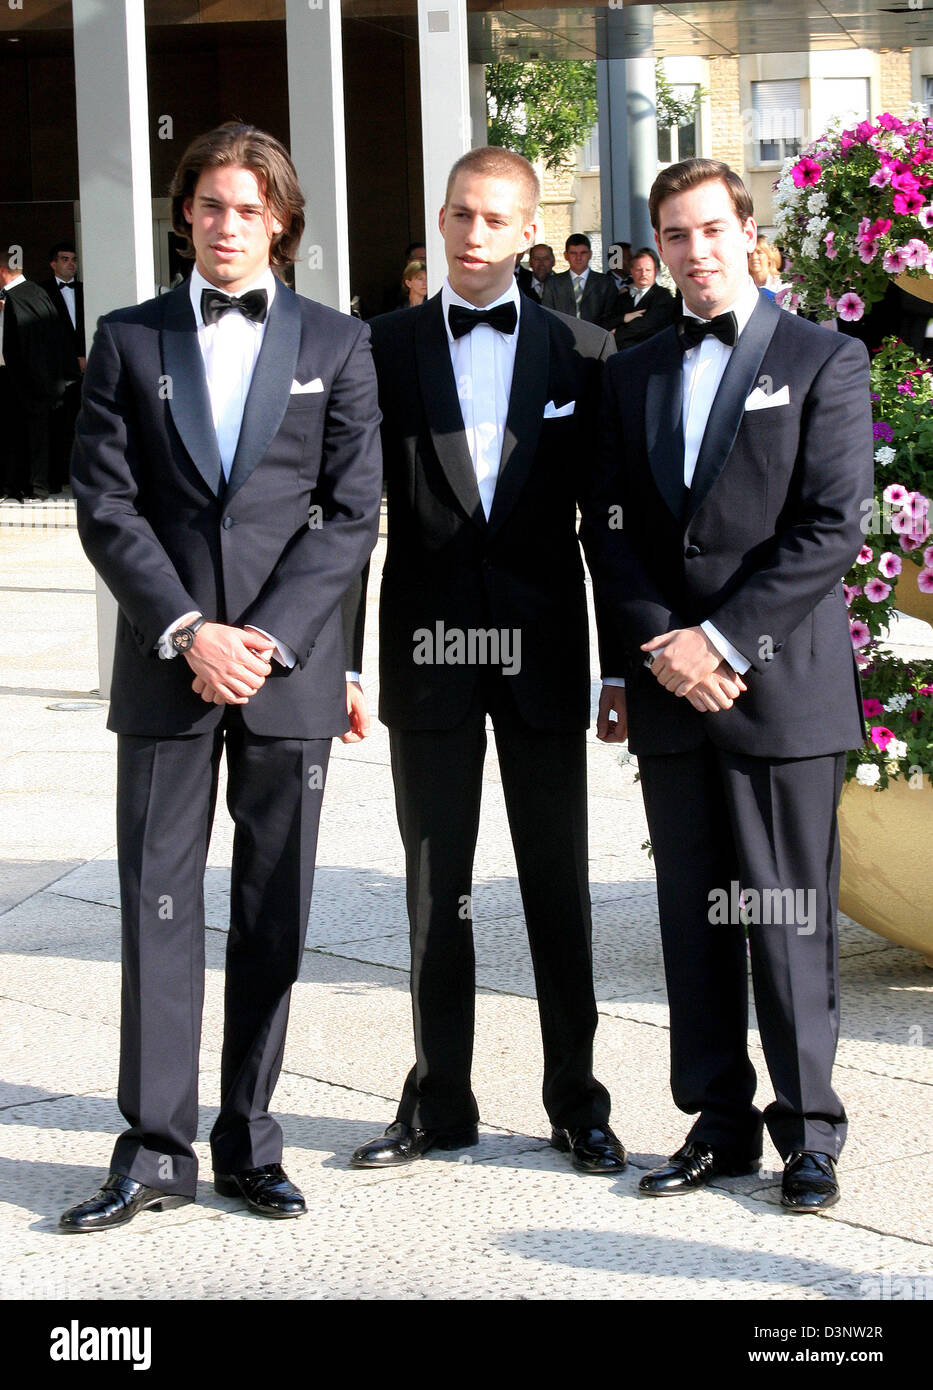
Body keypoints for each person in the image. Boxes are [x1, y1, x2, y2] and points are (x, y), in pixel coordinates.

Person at [60, 123, 382, 1232]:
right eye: (209, 206)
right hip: (168, 668)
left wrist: (269, 640)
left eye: (249, 208)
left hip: (284, 675)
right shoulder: (126, 339)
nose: (228, 225)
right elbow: (106, 505)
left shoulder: (338, 344)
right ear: (184, 214)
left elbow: (350, 514)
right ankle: (154, 1148)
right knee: (157, 908)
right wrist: (190, 629)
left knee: (271, 908)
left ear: (282, 221)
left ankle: (249, 1137)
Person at [582, 157, 873, 1213]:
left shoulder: (823, 358)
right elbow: (608, 524)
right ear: (657, 247)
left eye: (712, 229)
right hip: (671, 691)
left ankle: (808, 1130)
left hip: (779, 690)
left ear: (748, 232)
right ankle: (716, 1121)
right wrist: (661, 647)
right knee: (694, 915)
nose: (695, 252)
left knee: (787, 914)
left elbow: (831, 526)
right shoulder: (630, 369)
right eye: (675, 234)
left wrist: (725, 641)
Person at [350, 146, 623, 1175]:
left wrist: (620, 668)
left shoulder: (585, 351)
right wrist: (336, 661)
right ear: (440, 219)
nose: (473, 234)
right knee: (436, 887)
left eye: (494, 218)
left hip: (547, 652)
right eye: (460, 213)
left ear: (526, 233)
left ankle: (577, 1101)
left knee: (559, 879)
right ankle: (440, 1100)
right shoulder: (376, 347)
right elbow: (343, 516)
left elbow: (606, 525)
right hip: (428, 653)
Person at [0, 252, 63, 501]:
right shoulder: (21, 295)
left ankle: (36, 486)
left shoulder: (28, 294)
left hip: (29, 378)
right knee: (8, 432)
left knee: (34, 433)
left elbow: (37, 340)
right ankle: (10, 485)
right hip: (8, 376)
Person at [40, 242, 86, 493]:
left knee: (82, 422)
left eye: (74, 259)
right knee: (58, 424)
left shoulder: (86, 289)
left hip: (85, 368)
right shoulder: (42, 291)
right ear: (53, 264)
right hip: (57, 370)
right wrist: (71, 358)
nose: (71, 264)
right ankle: (57, 474)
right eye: (65, 259)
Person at [542, 233, 619, 329]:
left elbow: (611, 315)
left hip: (596, 337)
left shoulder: (605, 283)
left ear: (590, 254)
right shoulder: (553, 283)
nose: (578, 258)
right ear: (566, 255)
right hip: (562, 338)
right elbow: (547, 315)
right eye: (573, 253)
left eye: (583, 253)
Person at [608, 246, 676, 348]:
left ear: (655, 271)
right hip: (621, 356)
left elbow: (647, 325)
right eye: (639, 269)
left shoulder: (663, 295)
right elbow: (607, 322)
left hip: (650, 354)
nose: (643, 274)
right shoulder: (623, 296)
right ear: (631, 271)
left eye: (648, 270)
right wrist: (625, 317)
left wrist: (615, 334)